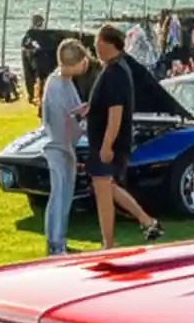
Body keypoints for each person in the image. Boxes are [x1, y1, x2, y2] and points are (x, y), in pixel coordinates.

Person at [85, 25, 163, 249]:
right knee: (106, 187)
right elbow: (105, 104)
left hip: (108, 142)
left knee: (103, 189)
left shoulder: (115, 73)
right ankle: (146, 221)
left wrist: (107, 144)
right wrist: (89, 107)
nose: (95, 48)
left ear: (108, 44)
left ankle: (108, 243)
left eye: (97, 43)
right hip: (104, 140)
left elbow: (116, 111)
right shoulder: (114, 68)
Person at [40, 40, 91, 256]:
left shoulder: (60, 81)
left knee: (64, 193)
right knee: (59, 194)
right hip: (58, 145)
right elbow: (66, 118)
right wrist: (82, 117)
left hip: (63, 145)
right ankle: (55, 243)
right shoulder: (58, 84)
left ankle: (58, 239)